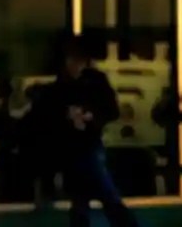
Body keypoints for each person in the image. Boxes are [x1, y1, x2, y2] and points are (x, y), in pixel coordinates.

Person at [48, 34, 138, 227]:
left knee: (96, 195)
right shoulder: (62, 85)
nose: (72, 64)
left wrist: (91, 116)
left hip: (87, 145)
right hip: (73, 147)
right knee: (88, 197)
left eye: (75, 59)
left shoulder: (94, 81)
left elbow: (110, 110)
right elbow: (51, 114)